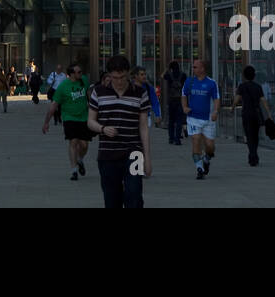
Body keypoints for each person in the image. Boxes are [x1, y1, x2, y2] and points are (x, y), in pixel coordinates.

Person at [87, 55, 151, 208]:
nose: (119, 81)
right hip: (108, 153)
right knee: (112, 199)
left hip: (134, 152)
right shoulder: (99, 92)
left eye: (122, 77)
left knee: (134, 195)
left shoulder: (140, 93)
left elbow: (143, 127)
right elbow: (90, 121)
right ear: (109, 75)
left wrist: (147, 158)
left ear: (129, 74)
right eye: (115, 77)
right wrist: (102, 128)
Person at [43, 64, 92, 180]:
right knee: (73, 142)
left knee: (84, 145)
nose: (81, 74)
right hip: (69, 118)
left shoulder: (84, 80)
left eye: (81, 71)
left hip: (84, 117)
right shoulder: (63, 87)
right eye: (78, 72)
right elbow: (54, 105)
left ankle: (80, 160)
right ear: (71, 74)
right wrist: (46, 122)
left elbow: (89, 94)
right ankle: (74, 170)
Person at [182, 58, 220, 178]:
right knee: (196, 140)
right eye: (193, 67)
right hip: (193, 118)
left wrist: (215, 111)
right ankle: (199, 168)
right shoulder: (189, 81)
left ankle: (207, 159)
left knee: (210, 147)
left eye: (195, 67)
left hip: (208, 119)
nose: (193, 69)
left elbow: (216, 99)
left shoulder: (211, 83)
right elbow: (183, 94)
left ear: (202, 69)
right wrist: (184, 107)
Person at [234, 65, 273, 166]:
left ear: (244, 76)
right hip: (256, 113)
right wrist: (269, 113)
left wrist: (232, 107)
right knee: (255, 135)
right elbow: (263, 101)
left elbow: (237, 99)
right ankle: (254, 154)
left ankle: (252, 155)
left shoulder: (242, 86)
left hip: (246, 113)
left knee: (248, 134)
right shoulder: (258, 87)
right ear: (254, 76)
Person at [163, 61, 186, 145]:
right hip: (180, 100)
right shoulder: (183, 75)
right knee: (179, 120)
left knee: (171, 120)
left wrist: (166, 69)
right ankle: (177, 139)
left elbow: (162, 76)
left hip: (171, 100)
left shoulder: (169, 75)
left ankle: (171, 138)